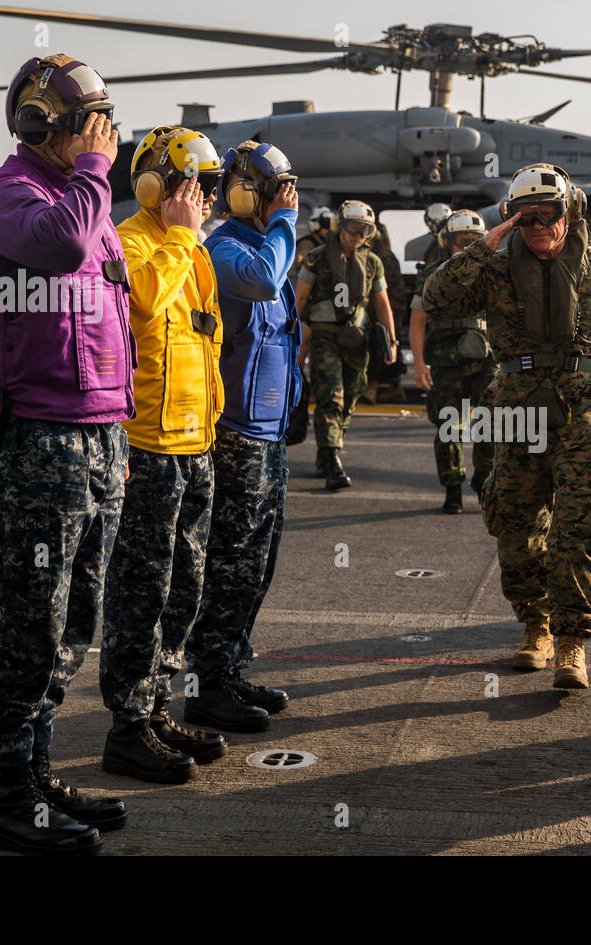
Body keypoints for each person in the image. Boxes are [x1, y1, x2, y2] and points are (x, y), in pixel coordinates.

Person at [0, 53, 131, 854]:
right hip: (37, 436)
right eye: (85, 126)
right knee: (32, 616)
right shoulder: (12, 197)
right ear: (35, 125)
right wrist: (97, 169)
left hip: (97, 431)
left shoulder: (80, 199)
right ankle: (6, 794)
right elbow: (59, 250)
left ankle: (34, 764)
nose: (101, 141)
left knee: (75, 616)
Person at [423, 163, 591, 689]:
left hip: (584, 413)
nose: (539, 227)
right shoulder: (496, 268)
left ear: (569, 213)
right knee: (514, 524)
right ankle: (536, 627)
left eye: (548, 215)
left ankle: (573, 644)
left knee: (580, 525)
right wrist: (487, 242)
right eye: (526, 218)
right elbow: (436, 298)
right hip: (515, 411)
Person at [98, 125, 228, 782]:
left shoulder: (194, 251)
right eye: (195, 185)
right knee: (141, 590)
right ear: (157, 186)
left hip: (193, 445)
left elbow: (205, 343)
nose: (207, 197)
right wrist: (179, 235)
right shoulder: (130, 241)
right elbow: (142, 307)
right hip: (147, 446)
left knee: (184, 587)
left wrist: (211, 428)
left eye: (207, 187)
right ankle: (126, 727)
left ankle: (156, 707)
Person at [183, 140, 303, 733]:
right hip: (235, 435)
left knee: (258, 562)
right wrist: (284, 223)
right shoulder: (226, 247)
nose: (285, 200)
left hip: (269, 433)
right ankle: (206, 687)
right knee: (229, 562)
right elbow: (258, 285)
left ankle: (229, 668)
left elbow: (281, 336)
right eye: (273, 190)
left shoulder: (269, 247)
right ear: (242, 195)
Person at [295, 199, 397, 489]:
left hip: (358, 339)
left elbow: (382, 304)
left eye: (365, 230)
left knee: (351, 396)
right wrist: (299, 338)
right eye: (353, 228)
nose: (358, 235)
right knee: (331, 396)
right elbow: (300, 299)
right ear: (341, 225)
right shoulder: (316, 257)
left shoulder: (373, 262)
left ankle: (327, 450)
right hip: (325, 336)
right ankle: (333, 462)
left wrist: (390, 339)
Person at [411, 209, 495, 513]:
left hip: (487, 359)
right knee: (450, 427)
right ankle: (452, 487)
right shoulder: (432, 274)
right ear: (448, 241)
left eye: (476, 240)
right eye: (463, 241)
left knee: (492, 423)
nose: (470, 246)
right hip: (447, 363)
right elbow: (418, 322)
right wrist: (419, 365)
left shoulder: (494, 271)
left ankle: (484, 479)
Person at [363, 219, 408, 404]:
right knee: (385, 347)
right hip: (391, 308)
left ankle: (371, 389)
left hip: (387, 309)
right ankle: (396, 387)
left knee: (379, 347)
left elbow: (382, 293)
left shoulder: (378, 258)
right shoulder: (382, 254)